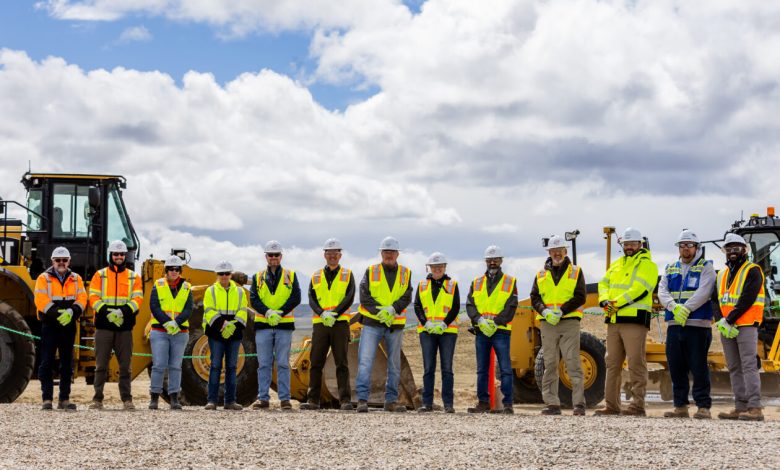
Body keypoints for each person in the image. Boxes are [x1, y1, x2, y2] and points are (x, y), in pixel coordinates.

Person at [594, 228, 658, 417]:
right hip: (614, 319)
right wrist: (604, 301)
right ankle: (611, 405)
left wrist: (615, 304)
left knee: (635, 363)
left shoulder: (648, 265)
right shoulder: (617, 264)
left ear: (640, 244)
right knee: (612, 363)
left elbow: (640, 288)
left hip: (634, 320)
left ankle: (638, 406)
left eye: (632, 244)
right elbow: (603, 284)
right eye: (626, 244)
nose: (629, 247)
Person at [658, 229, 716, 419]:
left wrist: (687, 308)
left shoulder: (706, 267)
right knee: (676, 367)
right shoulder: (670, 268)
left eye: (689, 245)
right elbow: (662, 291)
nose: (685, 249)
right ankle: (680, 406)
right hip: (675, 325)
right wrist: (674, 307)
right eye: (682, 246)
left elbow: (704, 291)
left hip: (698, 325)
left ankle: (703, 407)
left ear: (697, 247)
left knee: (698, 367)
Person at [530, 235, 587, 416]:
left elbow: (580, 296)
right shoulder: (540, 274)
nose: (556, 253)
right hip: (548, 323)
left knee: (572, 362)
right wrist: (544, 311)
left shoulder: (575, 271)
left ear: (565, 251)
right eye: (553, 251)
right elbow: (534, 297)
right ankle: (552, 404)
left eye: (559, 250)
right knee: (550, 363)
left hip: (569, 321)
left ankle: (578, 404)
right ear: (549, 252)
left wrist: (562, 311)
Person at [355, 236, 413, 413]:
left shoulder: (405, 273)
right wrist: (380, 312)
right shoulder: (371, 271)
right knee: (365, 361)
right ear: (381, 253)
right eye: (386, 252)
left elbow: (407, 296)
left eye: (392, 252)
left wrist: (393, 309)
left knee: (394, 364)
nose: (389, 255)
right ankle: (362, 399)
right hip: (373, 323)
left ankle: (391, 400)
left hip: (394, 325)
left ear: (397, 254)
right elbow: (364, 295)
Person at [300, 238, 356, 411]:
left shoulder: (347, 274)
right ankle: (313, 400)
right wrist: (322, 313)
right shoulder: (316, 276)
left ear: (340, 255)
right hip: (321, 324)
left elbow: (350, 296)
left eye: (335, 253)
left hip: (339, 324)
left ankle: (345, 400)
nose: (332, 256)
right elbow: (311, 298)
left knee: (342, 363)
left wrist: (335, 313)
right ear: (324, 255)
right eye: (329, 253)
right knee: (316, 362)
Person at [715, 233, 765, 421]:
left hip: (746, 325)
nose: (732, 252)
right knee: (734, 366)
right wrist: (721, 320)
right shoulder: (722, 274)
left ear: (745, 250)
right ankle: (740, 406)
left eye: (736, 249)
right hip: (727, 326)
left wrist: (729, 319)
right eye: (729, 249)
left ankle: (755, 407)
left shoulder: (753, 270)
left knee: (749, 365)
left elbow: (748, 298)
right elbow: (716, 299)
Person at [88, 240, 143, 411]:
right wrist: (107, 312)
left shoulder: (134, 277)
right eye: (115, 254)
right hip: (104, 327)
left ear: (124, 256)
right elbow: (93, 298)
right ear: (110, 256)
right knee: (101, 366)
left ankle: (127, 400)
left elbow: (138, 299)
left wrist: (122, 312)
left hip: (125, 327)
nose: (118, 257)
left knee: (125, 366)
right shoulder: (100, 275)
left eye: (121, 254)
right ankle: (97, 399)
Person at [466, 245, 518, 414]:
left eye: (495, 259)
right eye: (489, 260)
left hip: (500, 330)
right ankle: (483, 402)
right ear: (486, 262)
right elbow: (470, 304)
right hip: (482, 331)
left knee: (505, 368)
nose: (492, 262)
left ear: (501, 261)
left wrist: (496, 322)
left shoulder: (510, 282)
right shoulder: (476, 282)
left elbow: (511, 306)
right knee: (482, 368)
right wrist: (479, 320)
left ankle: (507, 404)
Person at [250, 241, 301, 411]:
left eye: (276, 255)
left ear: (281, 256)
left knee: (283, 363)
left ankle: (285, 399)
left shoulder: (291, 275)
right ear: (266, 256)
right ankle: (263, 398)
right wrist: (267, 312)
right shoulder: (257, 277)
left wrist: (280, 312)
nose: (273, 258)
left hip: (284, 325)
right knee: (263, 363)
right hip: (263, 325)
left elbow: (296, 297)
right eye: (270, 255)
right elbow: (254, 299)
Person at [34, 246, 87, 410]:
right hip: (50, 325)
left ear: (69, 261)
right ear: (53, 261)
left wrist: (73, 311)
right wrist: (58, 314)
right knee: (46, 361)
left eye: (64, 260)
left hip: (69, 326)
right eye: (58, 260)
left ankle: (64, 399)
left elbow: (82, 297)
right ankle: (47, 399)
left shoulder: (76, 278)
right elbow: (40, 299)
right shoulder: (43, 278)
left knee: (66, 362)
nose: (61, 263)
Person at [414, 252, 460, 413]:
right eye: (434, 267)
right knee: (428, 368)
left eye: (440, 266)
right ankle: (427, 403)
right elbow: (417, 306)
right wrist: (425, 323)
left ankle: (448, 404)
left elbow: (455, 307)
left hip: (447, 331)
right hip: (427, 332)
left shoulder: (452, 285)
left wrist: (443, 323)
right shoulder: (422, 285)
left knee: (447, 368)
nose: (437, 269)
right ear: (429, 268)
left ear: (445, 267)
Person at [148, 255, 193, 410]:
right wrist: (167, 322)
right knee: (159, 365)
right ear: (166, 270)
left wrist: (177, 322)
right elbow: (154, 306)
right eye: (171, 269)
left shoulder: (187, 287)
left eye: (176, 269)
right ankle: (154, 397)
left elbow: (188, 309)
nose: (174, 272)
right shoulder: (158, 285)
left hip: (180, 332)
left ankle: (174, 398)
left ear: (179, 271)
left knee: (175, 366)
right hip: (160, 331)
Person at [203, 261, 248, 410]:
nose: (224, 276)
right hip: (216, 334)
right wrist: (223, 325)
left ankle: (230, 402)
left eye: (227, 273)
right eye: (221, 274)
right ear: (217, 275)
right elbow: (209, 310)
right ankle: (212, 401)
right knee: (215, 366)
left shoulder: (240, 292)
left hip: (234, 334)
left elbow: (243, 310)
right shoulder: (210, 291)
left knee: (231, 367)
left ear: (231, 275)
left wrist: (232, 326)